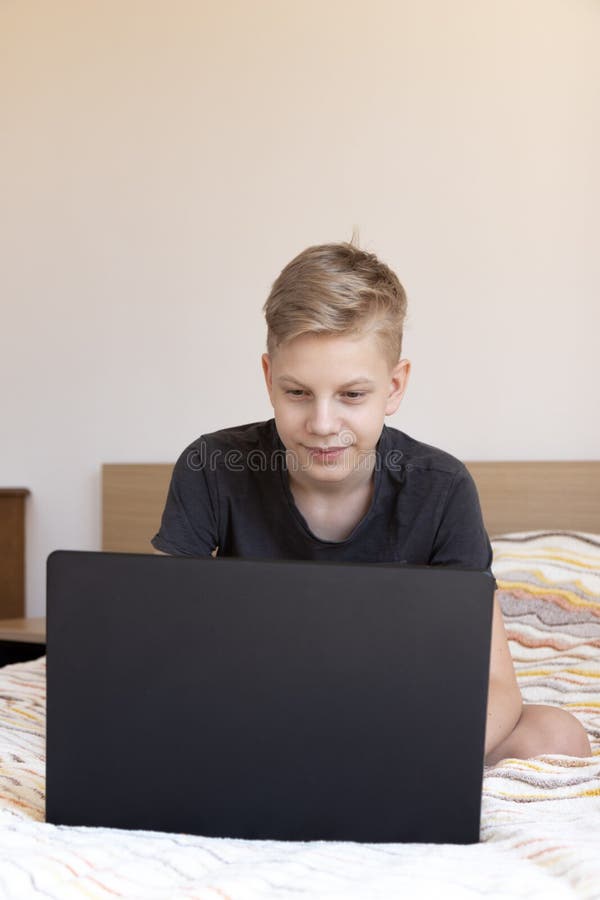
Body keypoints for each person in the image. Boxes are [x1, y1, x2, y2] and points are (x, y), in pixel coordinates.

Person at [152, 240, 591, 766]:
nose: (322, 424)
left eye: (352, 395)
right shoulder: (211, 467)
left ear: (395, 386)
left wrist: (405, 756)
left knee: (558, 735)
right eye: (297, 393)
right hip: (253, 709)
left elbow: (497, 683)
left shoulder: (443, 488)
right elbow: (161, 646)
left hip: (399, 719)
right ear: (269, 379)